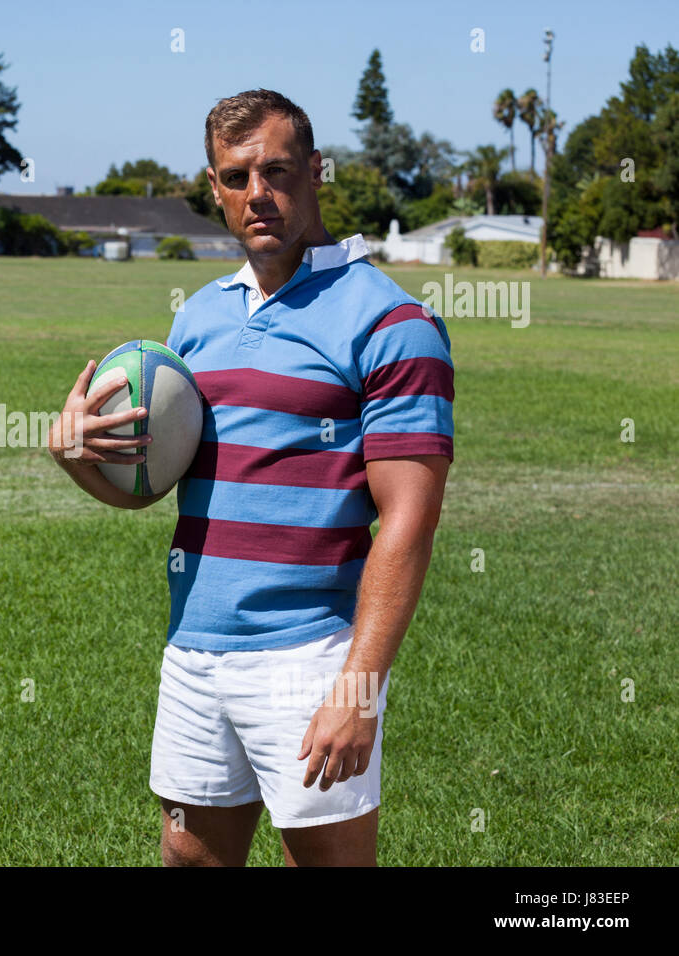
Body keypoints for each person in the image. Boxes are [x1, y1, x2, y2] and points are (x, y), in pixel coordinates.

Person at [46, 89, 453, 866]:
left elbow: (409, 521)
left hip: (312, 656)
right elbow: (155, 487)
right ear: (214, 187)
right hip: (195, 649)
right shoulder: (197, 318)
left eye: (277, 170)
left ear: (317, 171)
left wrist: (359, 689)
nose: (256, 195)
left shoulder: (392, 322)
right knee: (189, 861)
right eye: (236, 178)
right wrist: (75, 457)